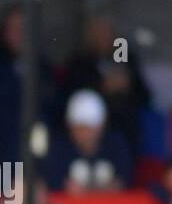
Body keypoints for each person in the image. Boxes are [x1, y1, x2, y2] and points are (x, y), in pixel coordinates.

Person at [0, 4, 57, 166]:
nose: (19, 34)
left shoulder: (41, 66)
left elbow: (50, 105)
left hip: (37, 154)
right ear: (3, 31)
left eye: (23, 28)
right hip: (1, 153)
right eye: (13, 28)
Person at [62, 15, 152, 159]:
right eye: (98, 31)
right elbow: (71, 96)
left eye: (106, 31)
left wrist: (127, 87)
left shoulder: (124, 59)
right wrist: (103, 87)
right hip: (91, 133)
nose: (103, 36)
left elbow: (146, 97)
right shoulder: (79, 62)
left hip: (123, 131)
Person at [42, 89, 133, 192]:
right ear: (70, 127)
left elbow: (121, 182)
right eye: (80, 128)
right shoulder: (59, 150)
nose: (85, 134)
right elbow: (56, 183)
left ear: (102, 126)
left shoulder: (116, 146)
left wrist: (88, 191)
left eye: (90, 128)